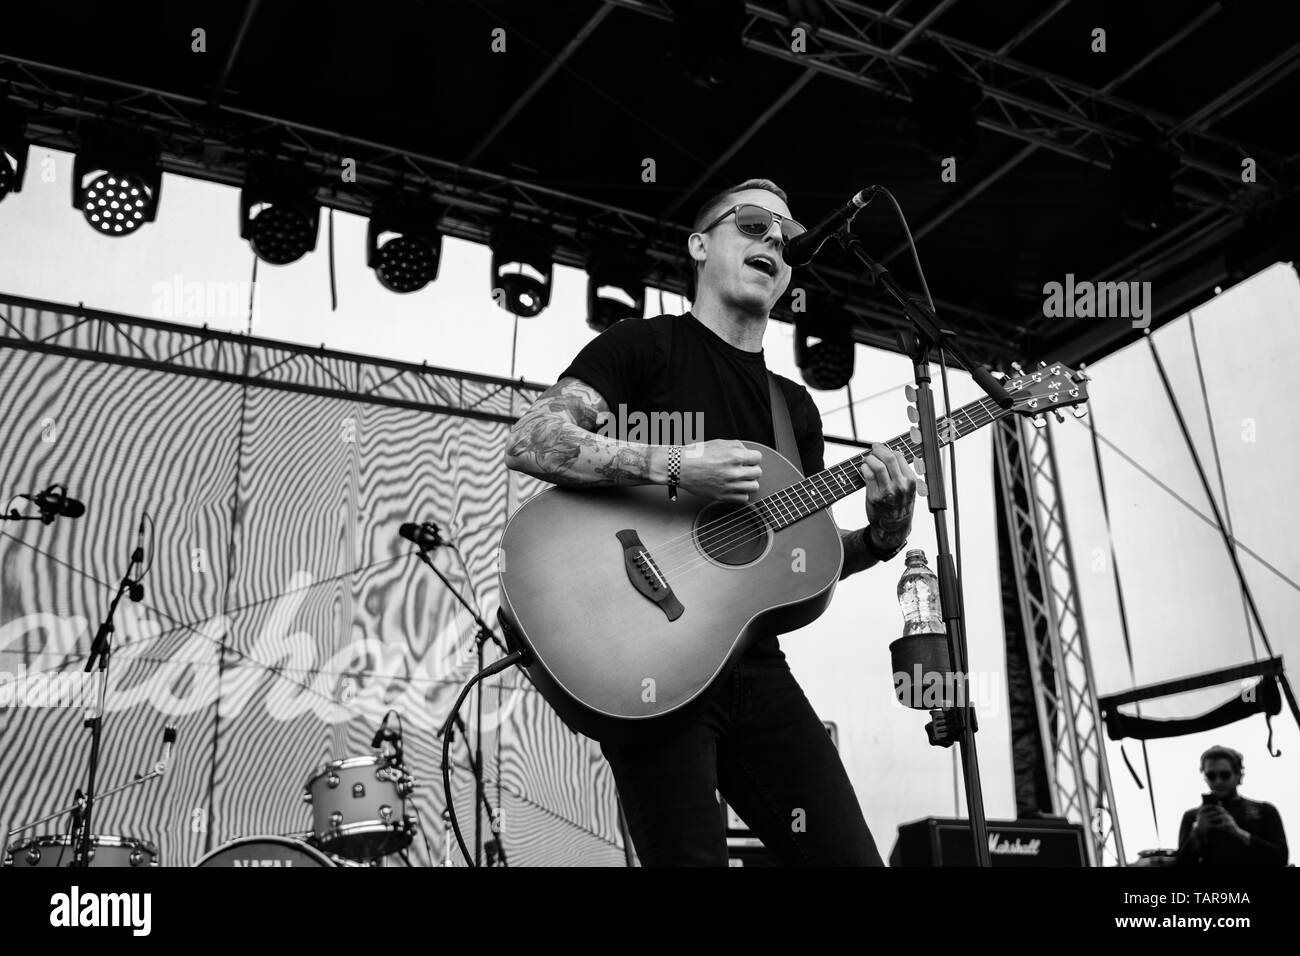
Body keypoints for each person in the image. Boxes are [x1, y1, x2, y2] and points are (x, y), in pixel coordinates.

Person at [504, 178, 918, 865]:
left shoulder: (795, 411)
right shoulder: (642, 346)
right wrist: (674, 465)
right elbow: (533, 441)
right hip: (651, 664)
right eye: (753, 224)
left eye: (788, 240)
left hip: (757, 672)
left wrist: (879, 539)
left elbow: (797, 561)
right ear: (699, 245)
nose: (773, 243)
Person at [1175, 745, 1288, 867]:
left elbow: (1281, 858)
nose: (1218, 781)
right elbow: (1181, 863)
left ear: (1239, 775)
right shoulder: (1192, 816)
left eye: (1225, 775)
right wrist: (1197, 833)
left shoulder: (1265, 811)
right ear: (1205, 778)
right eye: (1211, 776)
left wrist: (1238, 832)